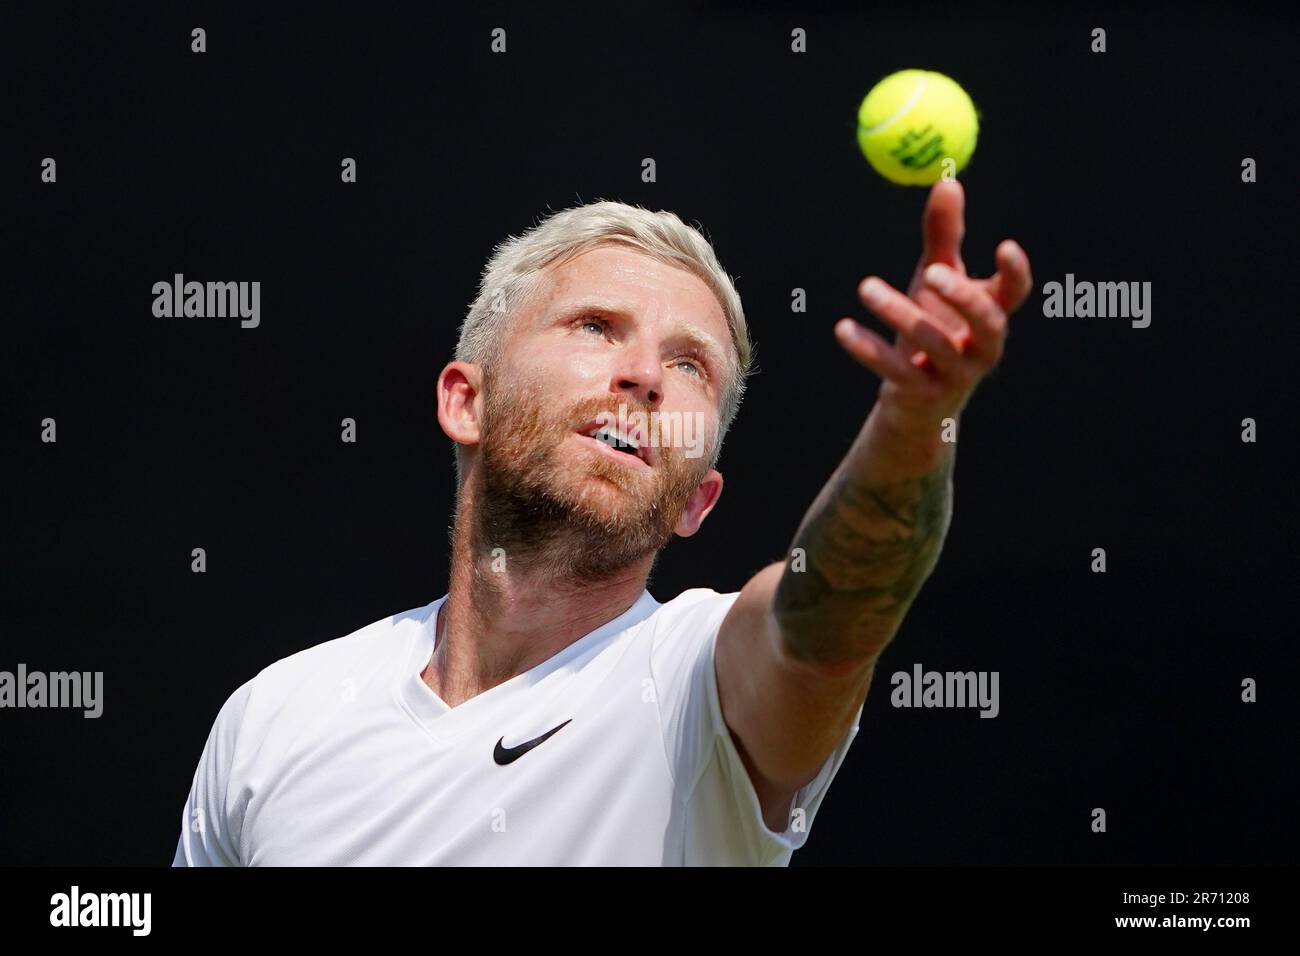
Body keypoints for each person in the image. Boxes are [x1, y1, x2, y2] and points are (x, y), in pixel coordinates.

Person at [172, 181, 1032, 866]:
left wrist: (917, 420)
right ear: (466, 400)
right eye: (596, 326)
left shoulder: (702, 680)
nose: (647, 375)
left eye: (691, 363)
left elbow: (834, 618)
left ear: (699, 499)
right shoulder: (277, 716)